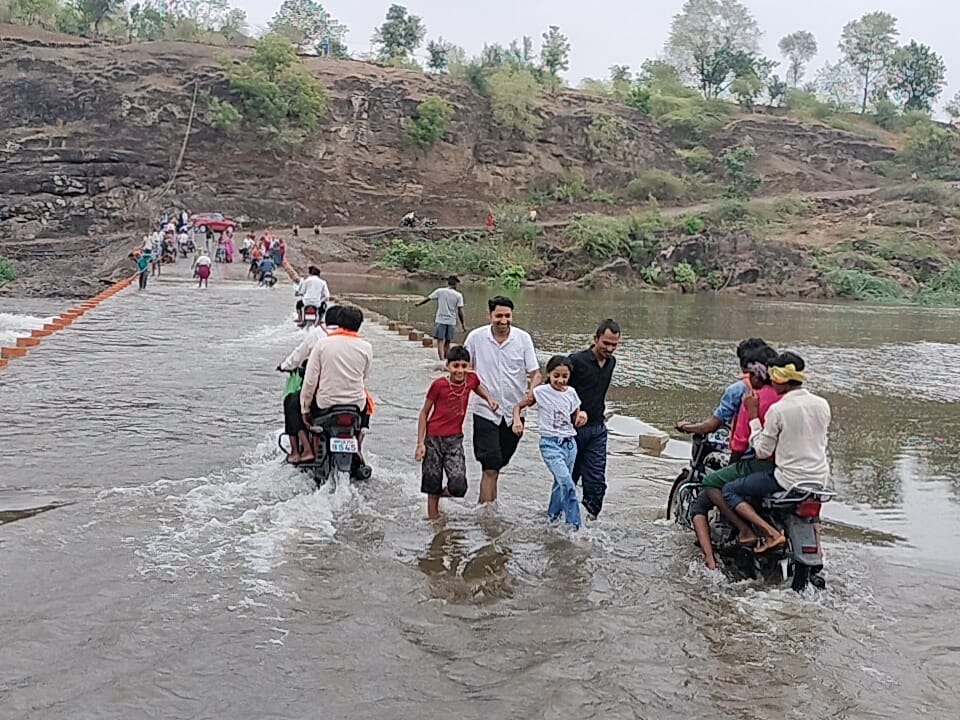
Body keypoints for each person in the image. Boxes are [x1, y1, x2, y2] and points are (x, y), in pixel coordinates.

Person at [723, 352, 831, 554]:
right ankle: (819, 549)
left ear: (780, 379)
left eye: (773, 377)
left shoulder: (778, 410)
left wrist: (754, 417)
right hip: (818, 478)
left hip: (787, 479)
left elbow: (763, 451)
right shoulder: (822, 404)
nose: (770, 381)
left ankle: (771, 533)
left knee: (730, 490)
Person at [690, 353, 781, 570]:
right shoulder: (792, 401)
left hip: (761, 466)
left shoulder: (750, 399)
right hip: (796, 471)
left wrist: (733, 465)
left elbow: (740, 443)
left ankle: (713, 561)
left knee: (710, 488)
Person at [463, 296, 542, 505]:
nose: (503, 321)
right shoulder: (475, 338)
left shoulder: (523, 339)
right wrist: (481, 395)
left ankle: (489, 511)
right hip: (485, 410)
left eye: (507, 316)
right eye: (499, 316)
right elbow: (466, 371)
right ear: (489, 316)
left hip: (515, 414)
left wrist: (532, 393)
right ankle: (485, 515)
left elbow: (535, 373)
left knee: (498, 464)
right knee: (489, 465)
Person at [415, 346, 499, 519]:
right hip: (433, 439)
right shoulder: (439, 385)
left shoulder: (471, 379)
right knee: (432, 482)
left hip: (454, 440)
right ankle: (435, 523)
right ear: (447, 366)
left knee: (459, 486)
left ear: (468, 366)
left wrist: (489, 399)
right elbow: (424, 413)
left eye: (463, 366)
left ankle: (439, 496)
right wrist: (420, 443)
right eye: (455, 366)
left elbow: (477, 387)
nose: (460, 370)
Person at [513, 356, 589, 529]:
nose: (560, 380)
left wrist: (582, 416)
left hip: (570, 445)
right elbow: (519, 406)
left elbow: (576, 416)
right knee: (567, 483)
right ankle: (575, 528)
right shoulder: (540, 391)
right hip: (550, 444)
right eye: (556, 376)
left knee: (559, 484)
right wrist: (517, 420)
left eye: (564, 376)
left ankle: (551, 521)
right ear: (549, 373)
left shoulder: (571, 393)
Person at [300, 306, 373, 464]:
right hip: (356, 405)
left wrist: (305, 409)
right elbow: (365, 376)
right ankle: (358, 447)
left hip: (326, 404)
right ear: (359, 325)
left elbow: (310, 381)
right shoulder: (366, 347)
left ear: (338, 322)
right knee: (368, 403)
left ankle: (306, 449)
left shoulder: (322, 345)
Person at [568, 319, 621, 520]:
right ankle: (562, 523)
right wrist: (574, 412)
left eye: (614, 345)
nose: (609, 349)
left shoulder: (611, 362)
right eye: (605, 343)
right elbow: (554, 389)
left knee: (596, 482)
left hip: (598, 429)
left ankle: (590, 525)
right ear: (595, 339)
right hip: (572, 430)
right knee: (568, 480)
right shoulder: (576, 361)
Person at [278, 305, 341, 464]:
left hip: (323, 396)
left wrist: (285, 366)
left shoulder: (319, 336)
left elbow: (300, 355)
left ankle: (301, 450)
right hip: (352, 400)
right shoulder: (356, 341)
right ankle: (358, 451)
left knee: (292, 403)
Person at [676, 338, 774, 436]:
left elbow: (711, 426)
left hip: (746, 445)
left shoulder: (738, 390)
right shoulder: (781, 388)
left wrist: (685, 427)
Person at [416, 275, 466, 362]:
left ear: (448, 282)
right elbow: (460, 311)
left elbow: (428, 299)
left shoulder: (440, 291)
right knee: (448, 341)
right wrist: (463, 324)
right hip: (451, 321)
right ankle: (447, 359)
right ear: (456, 284)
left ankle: (441, 360)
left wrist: (419, 304)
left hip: (440, 320)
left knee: (440, 341)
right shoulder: (458, 295)